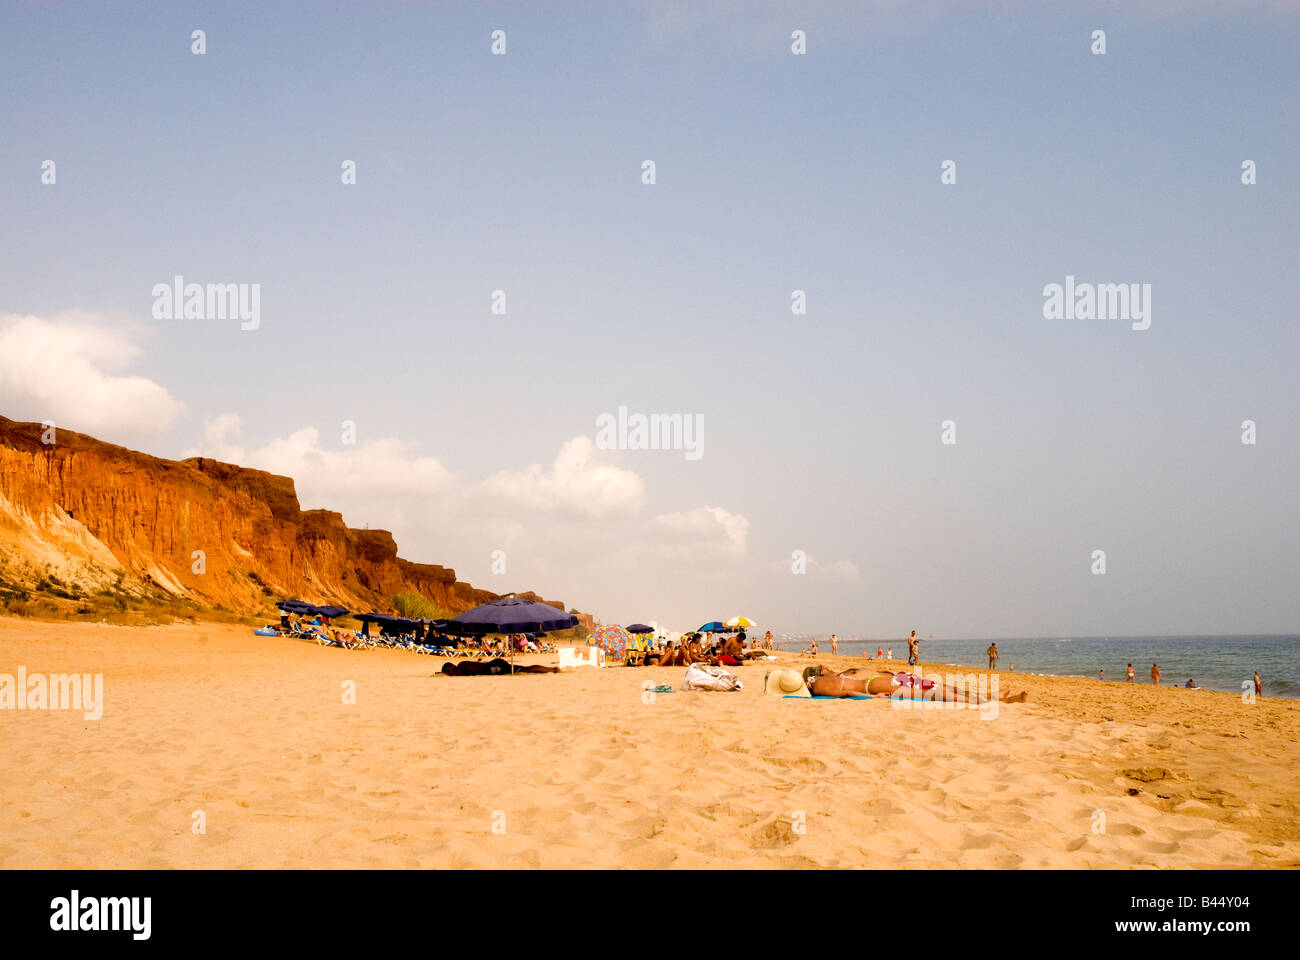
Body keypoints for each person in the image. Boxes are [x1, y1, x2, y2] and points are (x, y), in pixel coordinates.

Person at [803, 665, 1027, 704]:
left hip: (884, 683)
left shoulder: (833, 681)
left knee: (941, 692)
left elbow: (849, 692)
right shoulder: (840, 678)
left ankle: (992, 696)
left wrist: (873, 697)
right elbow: (848, 690)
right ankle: (994, 697)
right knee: (942, 690)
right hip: (887, 680)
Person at [441, 658, 559, 676]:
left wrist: (442, 675)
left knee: (525, 669)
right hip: (494, 666)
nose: (449, 673)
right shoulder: (462, 667)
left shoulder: (461, 665)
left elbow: (457, 674)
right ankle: (550, 669)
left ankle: (552, 669)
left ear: (452, 665)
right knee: (524, 669)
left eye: (448, 670)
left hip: (494, 666)